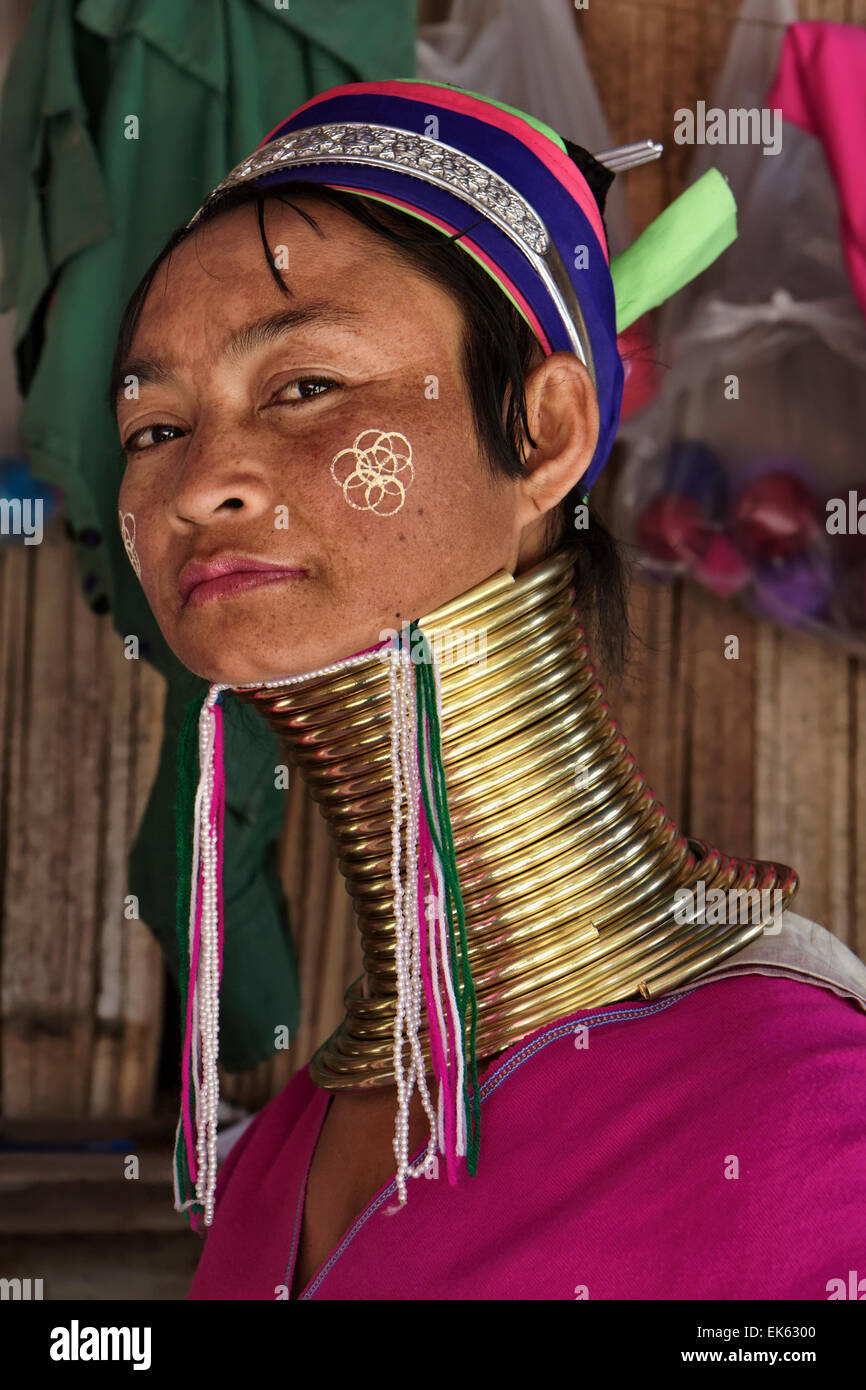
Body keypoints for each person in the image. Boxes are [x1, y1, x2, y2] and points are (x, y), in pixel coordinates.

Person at [110, 80, 866, 1301]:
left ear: (544, 428)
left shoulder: (804, 1119)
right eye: (153, 428)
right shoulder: (288, 1151)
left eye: (304, 386)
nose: (199, 483)